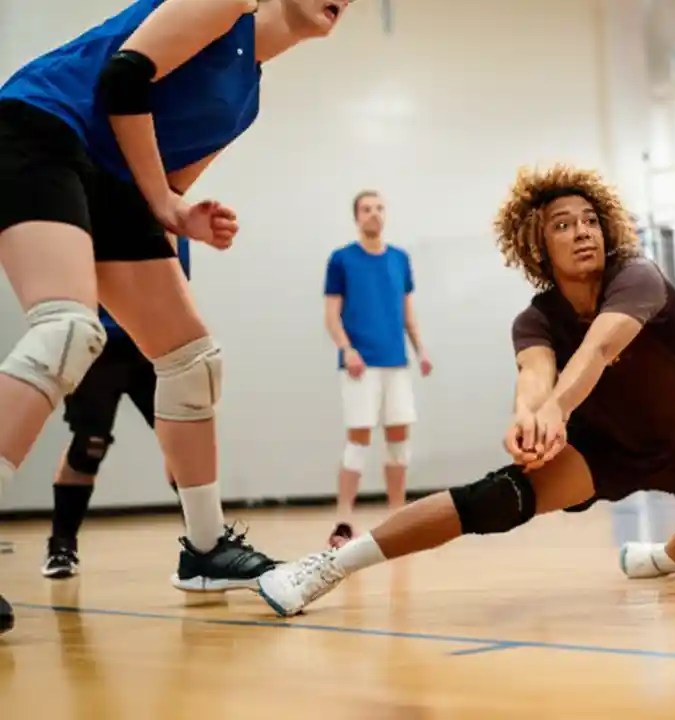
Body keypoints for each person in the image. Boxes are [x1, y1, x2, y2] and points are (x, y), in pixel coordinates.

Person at [254, 165, 675, 617]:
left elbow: (596, 349)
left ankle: (662, 558)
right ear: (537, 243)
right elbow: (534, 376)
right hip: (598, 456)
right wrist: (527, 419)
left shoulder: (637, 277)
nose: (582, 232)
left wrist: (554, 409)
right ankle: (327, 566)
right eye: (563, 225)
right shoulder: (535, 319)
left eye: (590, 220)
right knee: (495, 499)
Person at [0, 0, 354, 634]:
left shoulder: (245, 100)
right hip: (37, 128)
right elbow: (124, 77)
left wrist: (179, 214)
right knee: (66, 331)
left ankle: (206, 550)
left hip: (106, 177)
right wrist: (163, 201)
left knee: (192, 359)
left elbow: (158, 187)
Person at [42, 234, 191, 579]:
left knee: (184, 444)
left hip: (155, 344)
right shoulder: (94, 198)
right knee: (88, 446)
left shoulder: (170, 212)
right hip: (98, 344)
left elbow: (175, 282)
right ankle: (61, 547)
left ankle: (206, 542)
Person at [323, 190, 432, 548]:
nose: (374, 214)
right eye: (366, 209)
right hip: (360, 366)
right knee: (359, 439)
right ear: (356, 217)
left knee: (399, 438)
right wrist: (347, 350)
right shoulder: (341, 260)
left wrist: (421, 350)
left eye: (379, 208)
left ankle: (397, 515)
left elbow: (408, 314)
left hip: (395, 363)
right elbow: (331, 315)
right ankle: (343, 519)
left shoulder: (400, 259)